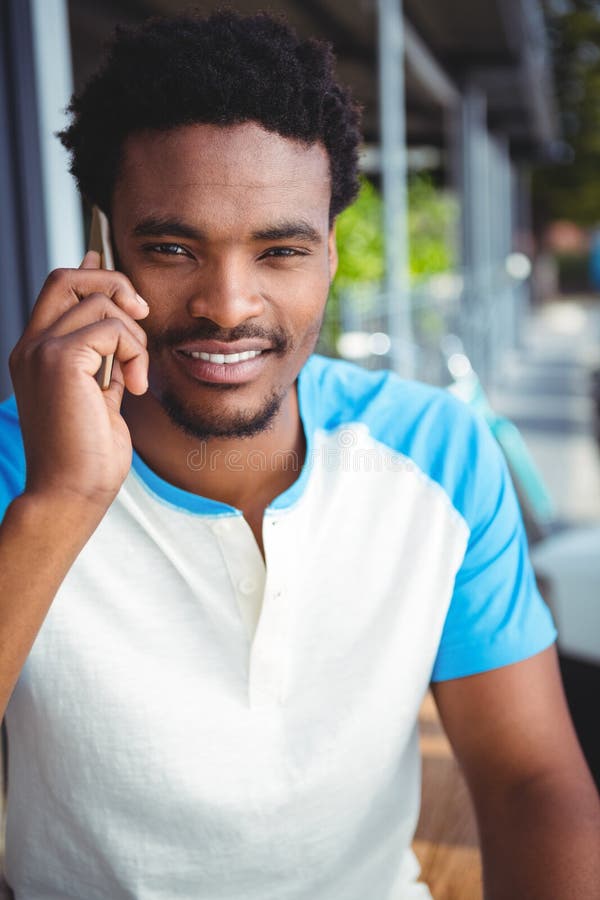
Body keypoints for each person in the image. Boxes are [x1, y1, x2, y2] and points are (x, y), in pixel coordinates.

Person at [0, 10, 598, 899]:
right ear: (102, 245)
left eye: (281, 250)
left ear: (330, 255)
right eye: (172, 248)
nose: (229, 304)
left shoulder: (436, 452)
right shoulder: (22, 470)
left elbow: (531, 780)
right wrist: (59, 503)